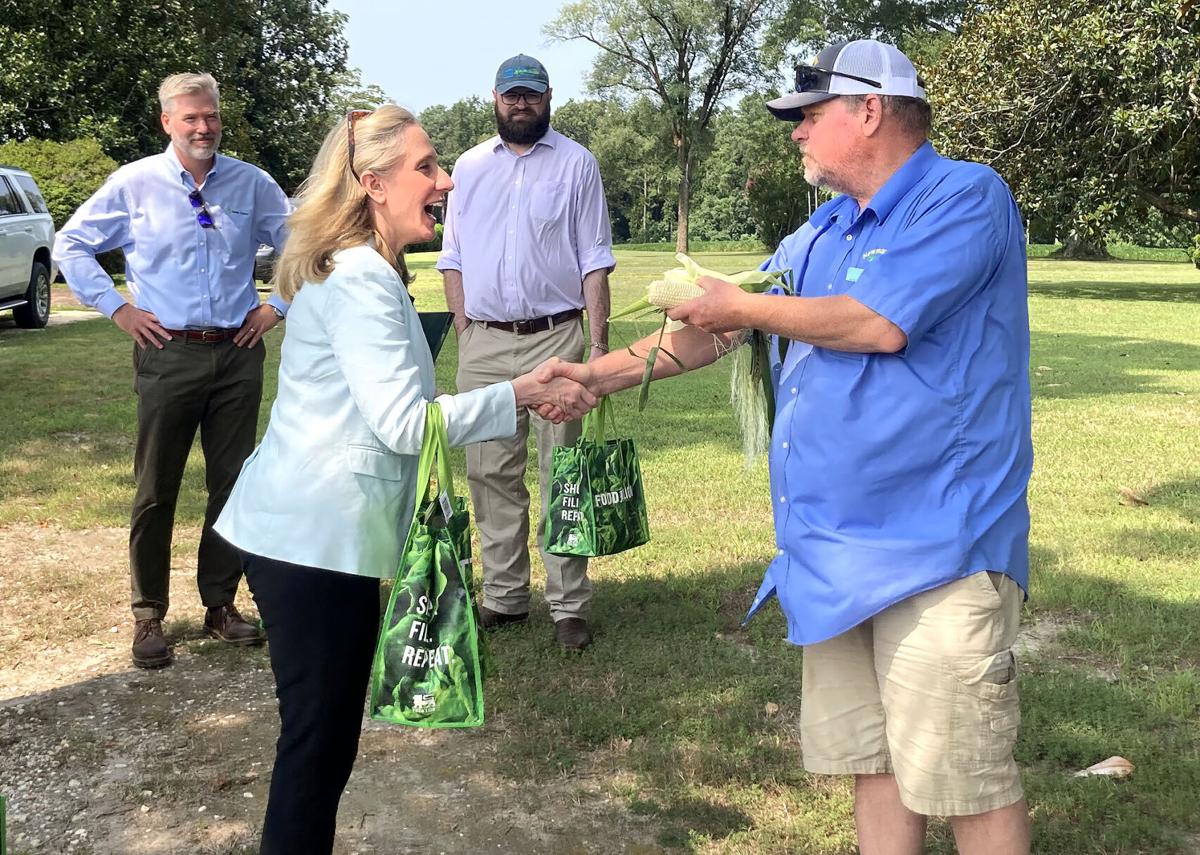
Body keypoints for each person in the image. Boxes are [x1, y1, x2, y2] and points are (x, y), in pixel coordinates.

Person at [541, 39, 1034, 855]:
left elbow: (876, 322)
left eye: (808, 116)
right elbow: (717, 330)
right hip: (834, 559)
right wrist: (597, 376)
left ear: (868, 110)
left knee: (968, 781)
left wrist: (742, 305)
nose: (796, 134)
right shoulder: (823, 230)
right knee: (872, 767)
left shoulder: (965, 196)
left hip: (938, 550)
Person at [212, 105, 595, 854]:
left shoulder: (369, 266)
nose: (446, 179)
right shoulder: (359, 275)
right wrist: (519, 393)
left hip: (318, 541)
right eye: (428, 166)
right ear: (372, 182)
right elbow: (401, 422)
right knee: (316, 750)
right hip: (309, 543)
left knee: (323, 747)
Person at [53, 72, 291, 668]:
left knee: (232, 484)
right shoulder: (134, 185)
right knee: (156, 487)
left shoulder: (252, 183)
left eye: (210, 116)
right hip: (168, 352)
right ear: (167, 122)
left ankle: (220, 604)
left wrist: (276, 307)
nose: (203, 127)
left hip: (238, 351)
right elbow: (71, 244)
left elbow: (302, 247)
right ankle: (148, 614)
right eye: (190, 118)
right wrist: (117, 307)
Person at [437, 54, 616, 650]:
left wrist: (596, 346)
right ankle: (506, 597)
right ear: (494, 98)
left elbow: (594, 258)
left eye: (531, 96)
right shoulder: (466, 167)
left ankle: (569, 603)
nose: (521, 105)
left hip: (558, 337)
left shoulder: (576, 163)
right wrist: (464, 328)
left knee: (564, 471)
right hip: (484, 341)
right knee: (490, 474)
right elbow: (453, 256)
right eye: (512, 96)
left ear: (548, 98)